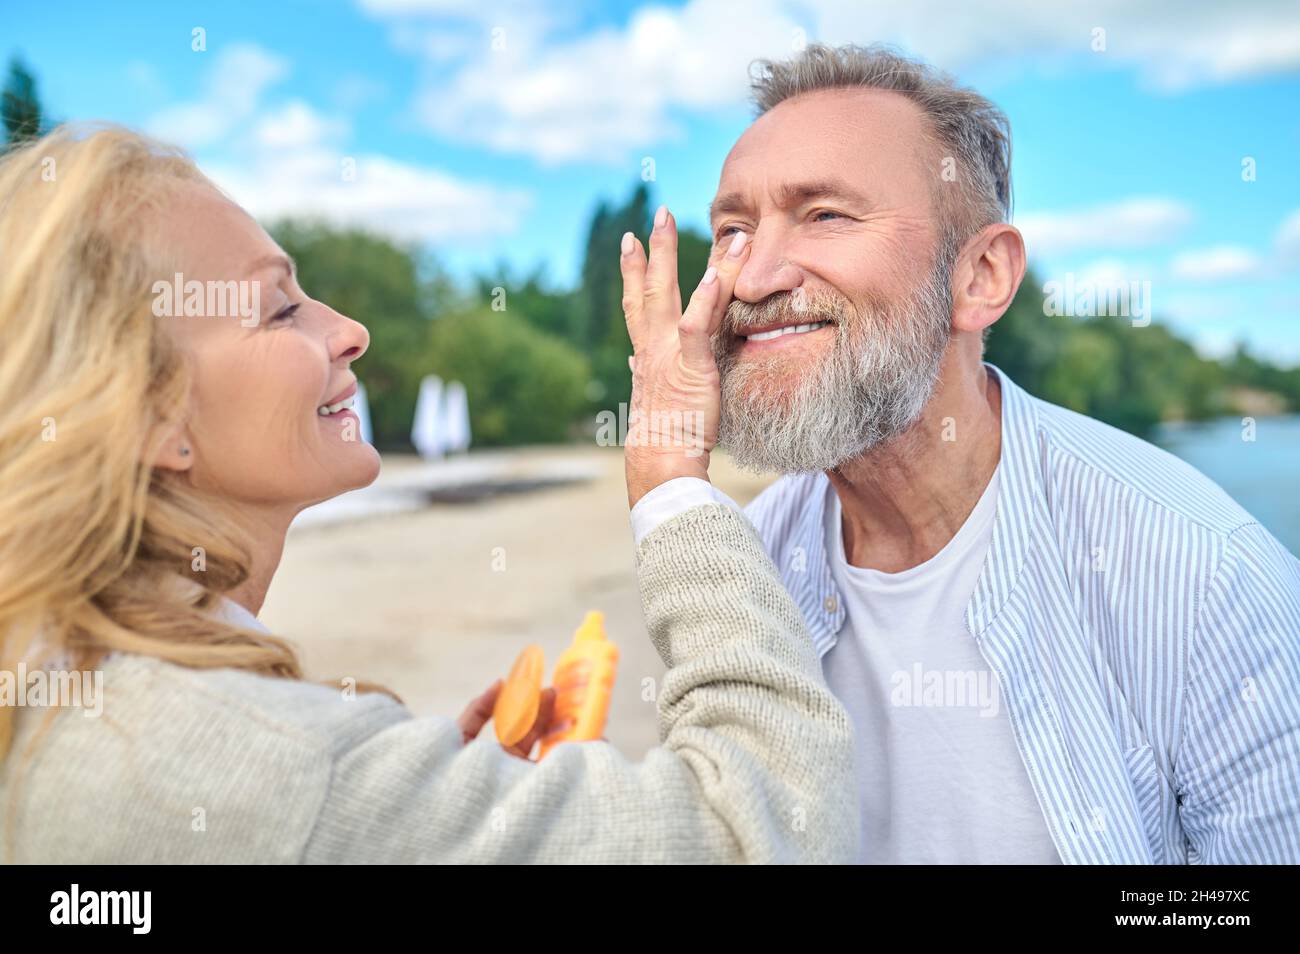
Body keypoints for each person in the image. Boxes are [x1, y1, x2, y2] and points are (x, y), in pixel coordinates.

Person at [0, 123, 857, 863]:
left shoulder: (61, 680)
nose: (349, 330)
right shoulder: (235, 759)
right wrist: (671, 479)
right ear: (151, 416)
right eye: (279, 310)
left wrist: (436, 803)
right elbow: (760, 833)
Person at [639, 42, 1300, 864]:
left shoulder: (1207, 580)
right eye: (732, 229)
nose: (751, 275)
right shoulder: (739, 567)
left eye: (826, 215)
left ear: (981, 275)